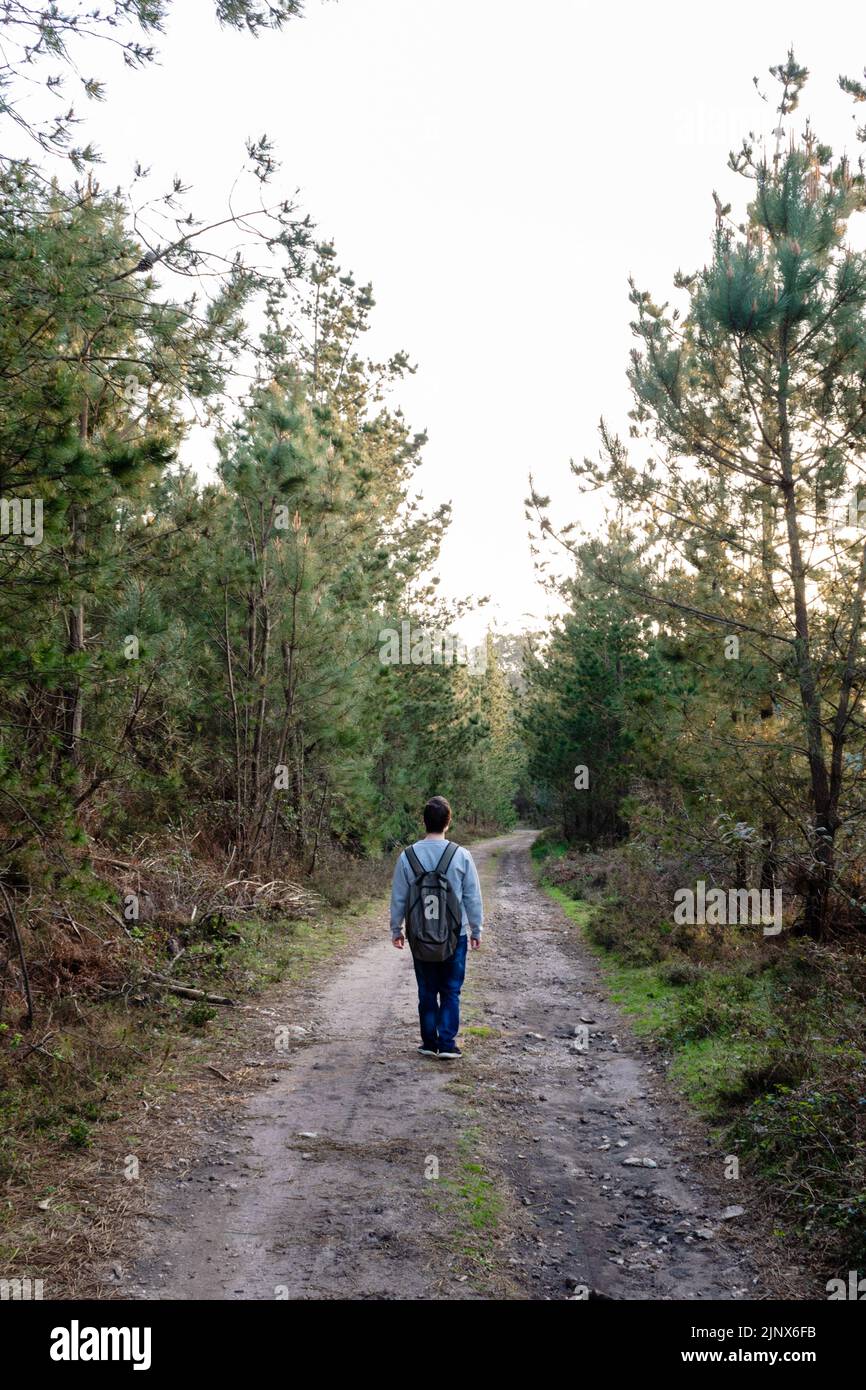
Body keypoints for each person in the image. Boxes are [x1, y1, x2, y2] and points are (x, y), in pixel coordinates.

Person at [389, 795, 483, 1059]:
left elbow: (399, 897)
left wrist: (396, 930)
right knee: (451, 989)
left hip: (420, 936)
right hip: (456, 935)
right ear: (448, 822)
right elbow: (472, 896)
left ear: (423, 821)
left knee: (427, 989)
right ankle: (448, 1044)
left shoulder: (407, 856)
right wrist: (476, 929)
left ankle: (429, 1043)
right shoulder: (461, 855)